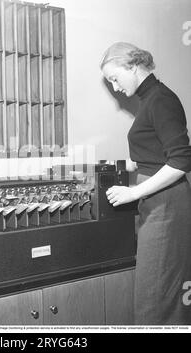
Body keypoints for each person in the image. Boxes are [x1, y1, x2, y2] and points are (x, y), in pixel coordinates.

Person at [100, 42, 191, 325]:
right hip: (157, 205)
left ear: (133, 66)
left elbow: (180, 161)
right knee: (157, 294)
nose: (115, 88)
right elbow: (158, 153)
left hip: (166, 207)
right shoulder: (150, 100)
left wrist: (134, 191)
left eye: (115, 78)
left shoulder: (161, 99)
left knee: (156, 299)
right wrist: (132, 165)